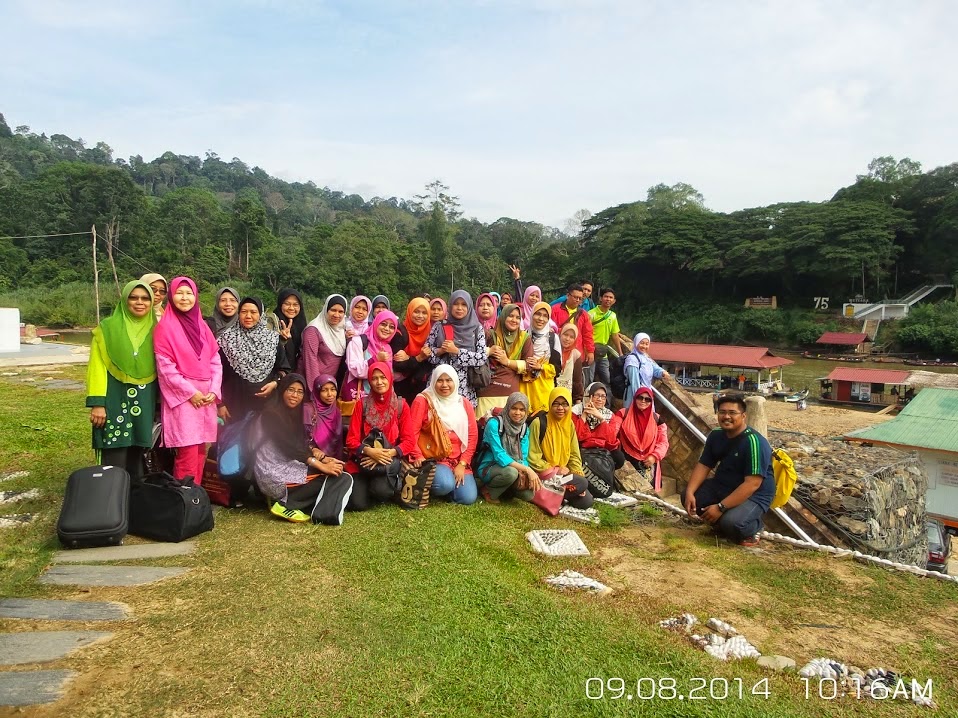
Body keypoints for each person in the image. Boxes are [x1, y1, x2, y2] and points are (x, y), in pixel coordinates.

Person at [252, 373, 353, 523]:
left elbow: (301, 444)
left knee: (338, 472)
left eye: (300, 392)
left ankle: (306, 504)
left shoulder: (294, 413)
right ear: (282, 390)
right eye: (291, 390)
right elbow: (290, 447)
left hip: (289, 464)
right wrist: (321, 465)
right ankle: (285, 504)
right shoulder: (271, 414)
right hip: (272, 472)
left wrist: (324, 458)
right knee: (332, 477)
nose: (295, 395)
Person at [86, 280, 158, 480]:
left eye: (145, 298)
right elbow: (97, 367)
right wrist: (98, 403)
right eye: (133, 297)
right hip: (114, 397)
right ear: (125, 300)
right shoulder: (107, 329)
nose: (139, 302)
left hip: (145, 398)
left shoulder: (159, 330)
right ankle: (111, 500)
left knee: (139, 453)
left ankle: (135, 500)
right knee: (114, 452)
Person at [153, 276, 222, 483]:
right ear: (172, 297)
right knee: (187, 452)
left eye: (189, 293)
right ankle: (185, 498)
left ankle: (196, 496)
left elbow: (215, 360)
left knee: (201, 450)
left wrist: (213, 390)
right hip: (185, 399)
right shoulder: (165, 328)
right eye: (179, 293)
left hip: (206, 397)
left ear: (196, 296)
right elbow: (166, 369)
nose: (184, 298)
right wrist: (191, 393)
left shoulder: (202, 326)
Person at [683, 394, 775, 547]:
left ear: (743, 415)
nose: (726, 416)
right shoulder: (716, 435)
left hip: (755, 493)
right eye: (722, 412)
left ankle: (754, 527)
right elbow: (704, 465)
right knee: (690, 498)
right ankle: (721, 521)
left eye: (732, 413)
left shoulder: (754, 442)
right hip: (725, 485)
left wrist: (720, 507)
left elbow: (752, 484)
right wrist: (690, 492)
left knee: (733, 524)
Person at [344, 362, 415, 511]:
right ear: (369, 381)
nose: (379, 382)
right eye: (374, 378)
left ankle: (379, 487)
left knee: (382, 492)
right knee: (358, 504)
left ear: (390, 378)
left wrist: (388, 453)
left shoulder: (401, 405)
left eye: (383, 377)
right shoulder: (361, 405)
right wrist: (370, 452)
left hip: (387, 461)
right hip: (363, 462)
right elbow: (351, 440)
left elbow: (409, 441)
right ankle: (364, 487)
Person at [407, 366, 478, 505]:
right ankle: (444, 485)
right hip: (434, 458)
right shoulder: (423, 401)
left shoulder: (464, 403)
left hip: (458, 459)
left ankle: (450, 487)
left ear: (455, 382)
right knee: (444, 484)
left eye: (448, 380)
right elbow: (411, 432)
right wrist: (417, 456)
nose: (444, 385)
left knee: (467, 498)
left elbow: (472, 436)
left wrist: (463, 463)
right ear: (433, 381)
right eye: (439, 380)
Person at [217, 297, 289, 421]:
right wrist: (220, 404)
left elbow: (284, 368)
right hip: (235, 405)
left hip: (267, 406)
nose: (248, 316)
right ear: (238, 313)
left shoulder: (272, 339)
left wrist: (274, 383)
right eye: (244, 312)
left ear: (260, 315)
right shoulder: (226, 339)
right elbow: (217, 374)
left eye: (253, 312)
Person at [527, 387, 593, 509]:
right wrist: (555, 469)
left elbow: (574, 454)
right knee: (582, 484)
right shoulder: (539, 423)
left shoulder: (569, 424)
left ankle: (555, 494)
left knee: (586, 500)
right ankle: (549, 493)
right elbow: (532, 456)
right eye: (556, 404)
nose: (560, 408)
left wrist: (577, 473)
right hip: (544, 474)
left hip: (562, 476)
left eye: (564, 404)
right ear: (550, 404)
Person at [474, 392, 541, 504]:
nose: (518, 413)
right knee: (510, 473)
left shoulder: (524, 428)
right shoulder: (494, 424)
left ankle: (504, 489)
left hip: (513, 467)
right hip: (489, 466)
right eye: (514, 408)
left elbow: (523, 456)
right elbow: (499, 455)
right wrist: (527, 470)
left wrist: (524, 474)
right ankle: (487, 490)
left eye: (522, 409)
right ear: (508, 407)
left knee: (528, 494)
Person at [426, 290, 488, 407]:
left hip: (464, 388)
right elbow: (427, 354)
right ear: (450, 305)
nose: (459, 308)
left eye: (464, 304)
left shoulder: (476, 329)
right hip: (440, 386)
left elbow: (482, 358)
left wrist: (457, 352)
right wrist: (440, 351)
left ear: (469, 306)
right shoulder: (439, 326)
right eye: (456, 304)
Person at [477, 303, 532, 416]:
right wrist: (489, 351)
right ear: (503, 316)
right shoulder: (489, 335)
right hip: (487, 392)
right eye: (510, 316)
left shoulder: (524, 338)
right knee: (485, 429)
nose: (514, 320)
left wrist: (507, 362)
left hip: (510, 395)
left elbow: (529, 366)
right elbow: (476, 354)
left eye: (518, 318)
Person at [617, 386, 669, 492]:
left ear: (651, 402)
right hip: (627, 462)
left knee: (648, 499)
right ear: (635, 398)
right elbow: (612, 432)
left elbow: (663, 442)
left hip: (649, 463)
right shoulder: (623, 414)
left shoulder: (657, 419)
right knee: (628, 495)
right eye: (640, 397)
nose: (643, 401)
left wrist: (655, 456)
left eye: (647, 399)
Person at [343, 310, 399, 401]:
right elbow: (354, 369)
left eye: (392, 327)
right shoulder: (358, 341)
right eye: (383, 324)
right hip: (359, 397)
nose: (387, 329)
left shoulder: (388, 348)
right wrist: (375, 359)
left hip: (380, 399)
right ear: (376, 323)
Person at [521, 301, 561, 415]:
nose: (541, 319)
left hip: (544, 389)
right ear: (531, 314)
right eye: (538, 314)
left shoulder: (553, 338)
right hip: (525, 388)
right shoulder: (523, 336)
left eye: (545, 316)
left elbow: (557, 369)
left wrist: (541, 366)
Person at [392, 297, 434, 403]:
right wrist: (419, 358)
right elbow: (397, 365)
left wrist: (409, 359)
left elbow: (431, 363)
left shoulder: (432, 333)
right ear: (410, 311)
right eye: (416, 311)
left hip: (424, 389)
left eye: (424, 313)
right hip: (401, 388)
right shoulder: (400, 332)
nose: (420, 316)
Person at [551, 283, 595, 372]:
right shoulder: (555, 310)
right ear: (568, 295)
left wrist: (590, 351)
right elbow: (551, 329)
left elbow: (588, 334)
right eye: (575, 297)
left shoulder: (583, 314)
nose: (577, 300)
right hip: (558, 350)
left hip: (577, 352)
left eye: (580, 298)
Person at [623, 332, 671, 409]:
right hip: (635, 397)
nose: (644, 346)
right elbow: (634, 382)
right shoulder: (632, 359)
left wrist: (662, 372)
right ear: (636, 343)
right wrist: (640, 399)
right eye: (641, 343)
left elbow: (654, 368)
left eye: (647, 344)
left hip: (647, 396)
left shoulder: (645, 358)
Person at [304, 374, 345, 461]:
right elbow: (300, 438)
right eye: (324, 390)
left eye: (333, 390)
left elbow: (338, 444)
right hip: (312, 459)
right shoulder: (308, 409)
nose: (330, 394)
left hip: (334, 461)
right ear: (317, 391)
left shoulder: (336, 412)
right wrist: (312, 449)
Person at [588, 288, 623, 387]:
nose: (608, 299)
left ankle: (605, 401)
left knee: (607, 379)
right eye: (606, 297)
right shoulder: (591, 314)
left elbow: (615, 335)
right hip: (590, 351)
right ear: (600, 298)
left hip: (603, 353)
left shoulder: (612, 316)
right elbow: (585, 333)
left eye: (611, 297)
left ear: (614, 301)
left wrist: (620, 353)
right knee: (589, 379)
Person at [273, 289, 307, 370]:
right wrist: (280, 338)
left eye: (295, 305)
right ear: (280, 304)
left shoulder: (302, 324)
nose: (291, 308)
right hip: (276, 372)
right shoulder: (272, 323)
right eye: (287, 304)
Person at [555, 323, 584, 404]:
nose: (567, 339)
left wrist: (578, 400)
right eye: (565, 334)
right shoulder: (553, 350)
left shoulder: (576, 355)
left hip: (566, 396)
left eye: (572, 337)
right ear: (560, 334)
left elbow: (577, 380)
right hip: (550, 392)